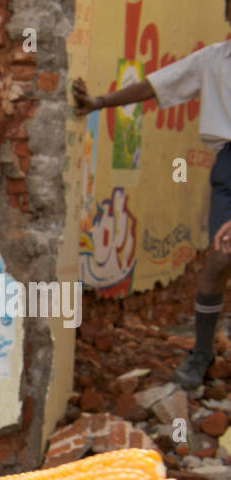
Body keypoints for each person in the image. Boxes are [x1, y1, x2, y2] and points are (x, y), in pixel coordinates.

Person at [73, 3, 231, 390]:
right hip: (228, 165)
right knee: (219, 258)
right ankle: (202, 352)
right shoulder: (212, 60)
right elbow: (158, 84)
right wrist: (100, 103)